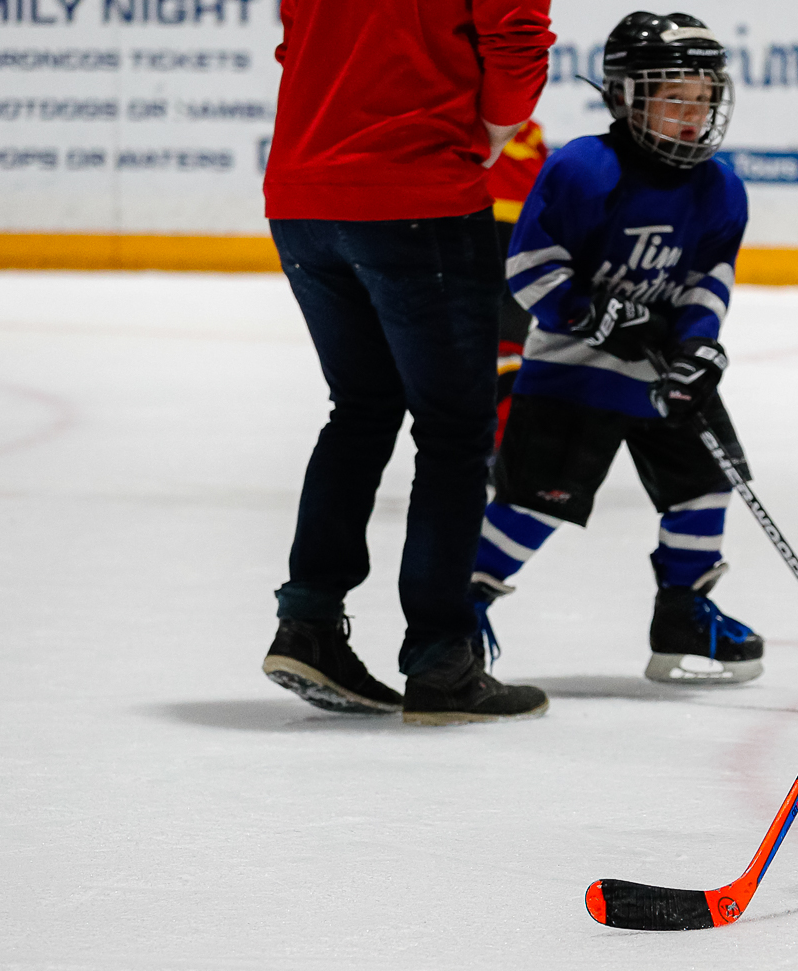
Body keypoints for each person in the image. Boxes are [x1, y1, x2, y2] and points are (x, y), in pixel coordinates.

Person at [259, 0, 554, 725]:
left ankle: (308, 624)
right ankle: (440, 659)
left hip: (302, 192)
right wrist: (490, 134)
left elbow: (296, 37)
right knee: (455, 431)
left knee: (359, 410)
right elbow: (516, 47)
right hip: (416, 189)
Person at [471, 11, 763, 685]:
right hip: (572, 371)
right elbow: (530, 267)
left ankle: (683, 613)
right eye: (674, 99)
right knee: (532, 501)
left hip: (661, 374)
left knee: (706, 483)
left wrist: (697, 349)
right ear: (627, 96)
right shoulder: (582, 167)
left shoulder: (721, 188)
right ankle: (460, 609)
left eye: (702, 99)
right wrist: (592, 314)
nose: (693, 116)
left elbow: (705, 282)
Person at [486, 118, 550, 449]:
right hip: (524, 234)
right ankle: (507, 443)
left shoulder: (461, 116)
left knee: (487, 348)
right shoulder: (529, 127)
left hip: (478, 225)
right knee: (507, 348)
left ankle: (498, 442)